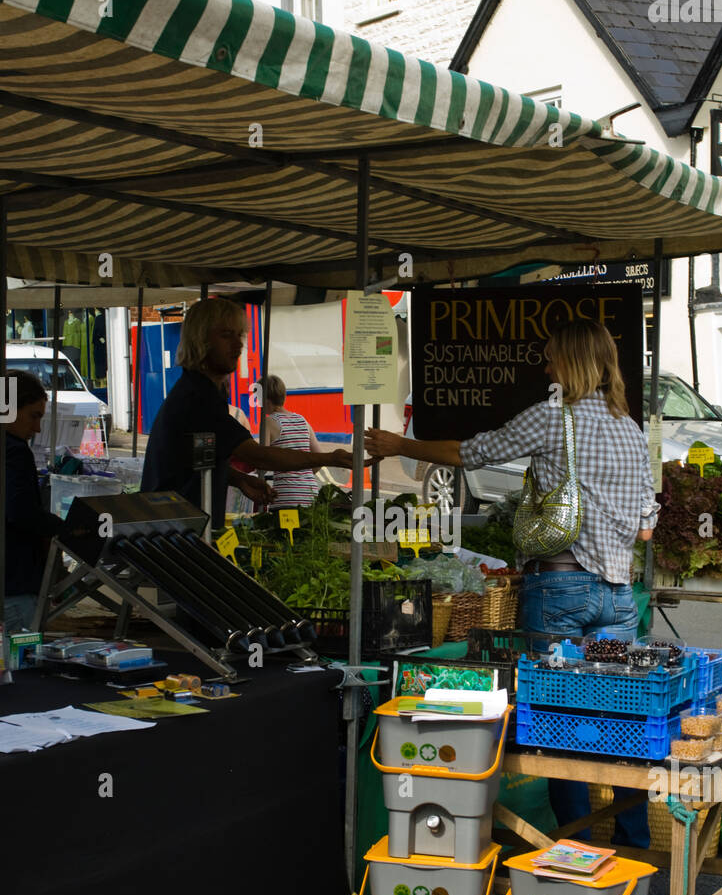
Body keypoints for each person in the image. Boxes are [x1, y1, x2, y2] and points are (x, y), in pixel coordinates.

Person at [364, 318, 659, 847]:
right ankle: (633, 842)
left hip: (561, 585)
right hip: (619, 593)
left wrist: (398, 445)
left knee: (557, 718)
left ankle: (573, 846)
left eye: (550, 359)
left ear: (570, 363)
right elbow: (646, 521)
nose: (544, 368)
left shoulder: (553, 418)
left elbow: (469, 454)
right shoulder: (630, 428)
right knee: (619, 714)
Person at [141, 297, 362, 528]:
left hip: (179, 522)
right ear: (200, 340)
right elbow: (258, 455)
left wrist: (239, 479)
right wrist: (331, 458)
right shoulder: (197, 397)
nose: (238, 345)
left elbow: (197, 459)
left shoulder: (206, 390)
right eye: (226, 335)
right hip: (171, 526)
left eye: (240, 335)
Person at [0, 370, 65, 633]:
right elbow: (21, 512)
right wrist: (66, 527)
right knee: (11, 671)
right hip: (7, 589)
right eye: (34, 416)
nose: (37, 428)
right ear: (9, 409)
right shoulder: (11, 450)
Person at [263, 375, 323, 508]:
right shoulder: (302, 420)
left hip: (286, 496)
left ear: (266, 401)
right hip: (310, 494)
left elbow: (262, 460)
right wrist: (301, 476)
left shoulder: (268, 422)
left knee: (285, 529)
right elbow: (319, 459)